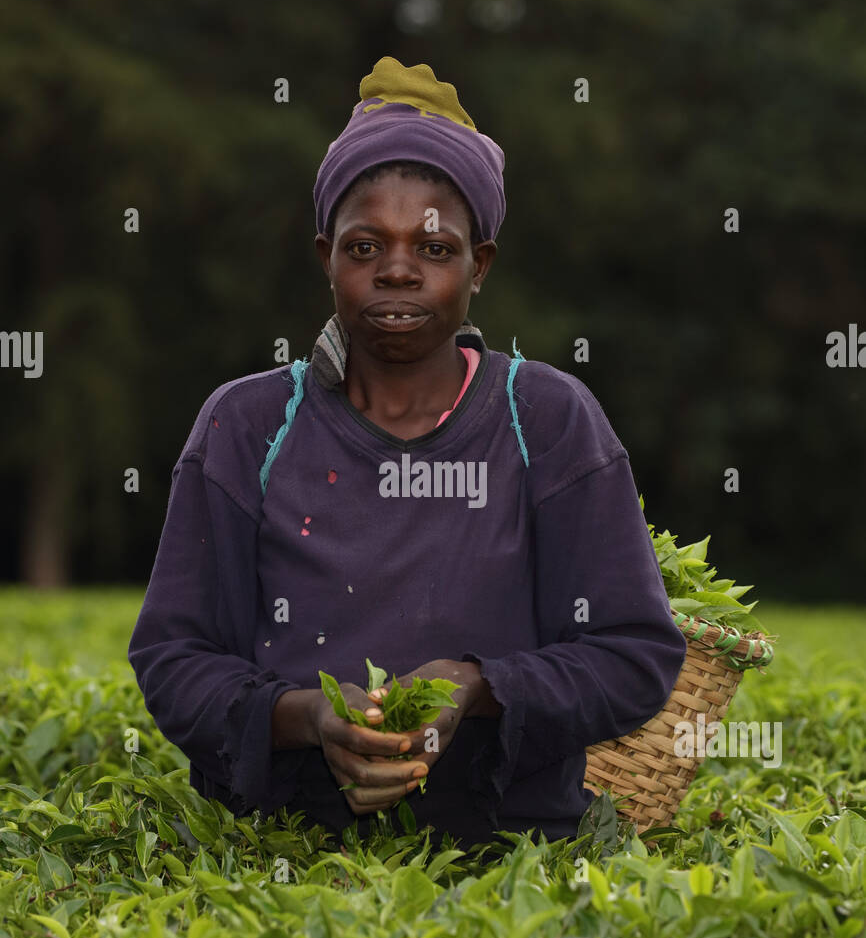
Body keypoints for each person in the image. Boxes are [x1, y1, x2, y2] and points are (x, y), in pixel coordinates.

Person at [128, 55, 687, 849]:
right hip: (281, 854)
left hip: (511, 856)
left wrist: (476, 686)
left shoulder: (549, 419)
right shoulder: (246, 425)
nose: (396, 270)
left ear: (477, 264)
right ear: (327, 256)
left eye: (432, 249)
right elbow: (174, 656)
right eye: (365, 248)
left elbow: (634, 655)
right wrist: (311, 716)